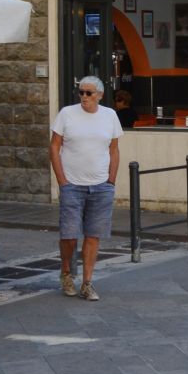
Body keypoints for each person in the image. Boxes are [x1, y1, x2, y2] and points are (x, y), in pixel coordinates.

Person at [50, 76, 121, 302]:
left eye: (89, 93)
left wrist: (111, 179)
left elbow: (114, 149)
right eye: (81, 92)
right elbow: (54, 147)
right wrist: (62, 180)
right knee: (69, 235)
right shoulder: (67, 114)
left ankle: (87, 282)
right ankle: (66, 272)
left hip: (101, 186)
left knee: (93, 235)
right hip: (72, 185)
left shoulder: (109, 115)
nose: (84, 97)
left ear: (99, 95)